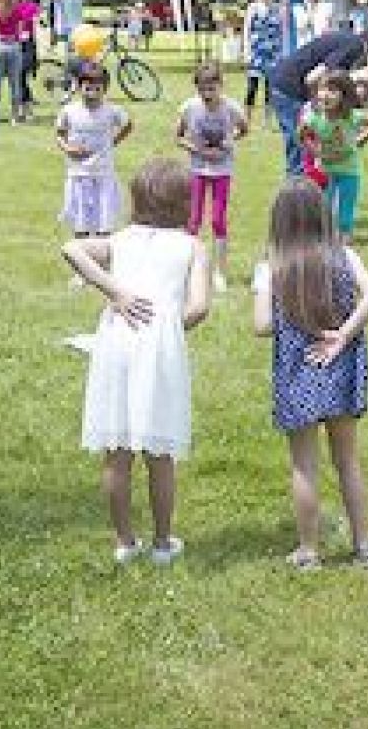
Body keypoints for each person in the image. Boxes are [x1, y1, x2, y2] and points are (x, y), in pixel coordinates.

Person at [64, 159, 212, 565]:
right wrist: (166, 328)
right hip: (159, 348)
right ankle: (163, 543)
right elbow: (198, 308)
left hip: (117, 343)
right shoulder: (192, 247)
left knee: (118, 448)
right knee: (159, 452)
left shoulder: (122, 239)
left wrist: (117, 293)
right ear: (185, 203)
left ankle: (125, 542)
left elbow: (71, 248)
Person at [252, 178, 368, 570]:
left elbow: (261, 325)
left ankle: (309, 550)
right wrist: (344, 333)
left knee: (304, 465)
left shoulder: (273, 267)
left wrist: (282, 309)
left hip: (298, 374)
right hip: (340, 367)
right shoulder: (345, 256)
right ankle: (365, 545)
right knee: (348, 460)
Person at [268, 24, 368, 176]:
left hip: (283, 84)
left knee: (301, 149)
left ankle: (306, 190)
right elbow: (313, 78)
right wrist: (317, 106)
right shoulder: (355, 46)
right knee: (302, 150)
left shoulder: (349, 41)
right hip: (290, 89)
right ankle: (299, 194)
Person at [175, 63, 249, 291]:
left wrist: (230, 140)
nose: (207, 95)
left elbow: (244, 128)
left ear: (221, 86)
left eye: (212, 89)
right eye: (202, 89)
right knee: (192, 220)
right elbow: (178, 136)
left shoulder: (231, 108)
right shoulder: (189, 107)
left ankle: (220, 271)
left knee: (218, 219)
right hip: (198, 170)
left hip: (222, 171)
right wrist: (196, 150)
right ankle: (187, 268)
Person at [299, 70, 368, 242]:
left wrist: (360, 140)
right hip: (325, 171)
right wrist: (315, 152)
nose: (326, 95)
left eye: (332, 91)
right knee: (324, 211)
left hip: (349, 171)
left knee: (345, 214)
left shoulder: (352, 117)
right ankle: (325, 244)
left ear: (345, 95)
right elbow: (302, 135)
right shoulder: (314, 119)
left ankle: (345, 244)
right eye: (323, 89)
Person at [57, 62, 133, 242]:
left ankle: (102, 266)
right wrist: (68, 148)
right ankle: (81, 267)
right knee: (81, 228)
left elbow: (127, 125)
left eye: (97, 88)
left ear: (105, 89)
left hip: (103, 175)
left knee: (104, 229)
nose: (92, 92)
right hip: (78, 176)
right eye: (87, 87)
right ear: (79, 86)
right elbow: (60, 133)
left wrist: (113, 141)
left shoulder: (112, 111)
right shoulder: (70, 111)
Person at [242, 0, 284, 115]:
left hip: (273, 52)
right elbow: (247, 30)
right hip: (256, 51)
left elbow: (282, 31)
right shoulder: (253, 7)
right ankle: (247, 115)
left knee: (270, 86)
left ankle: (268, 117)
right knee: (252, 85)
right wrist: (247, 52)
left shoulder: (279, 8)